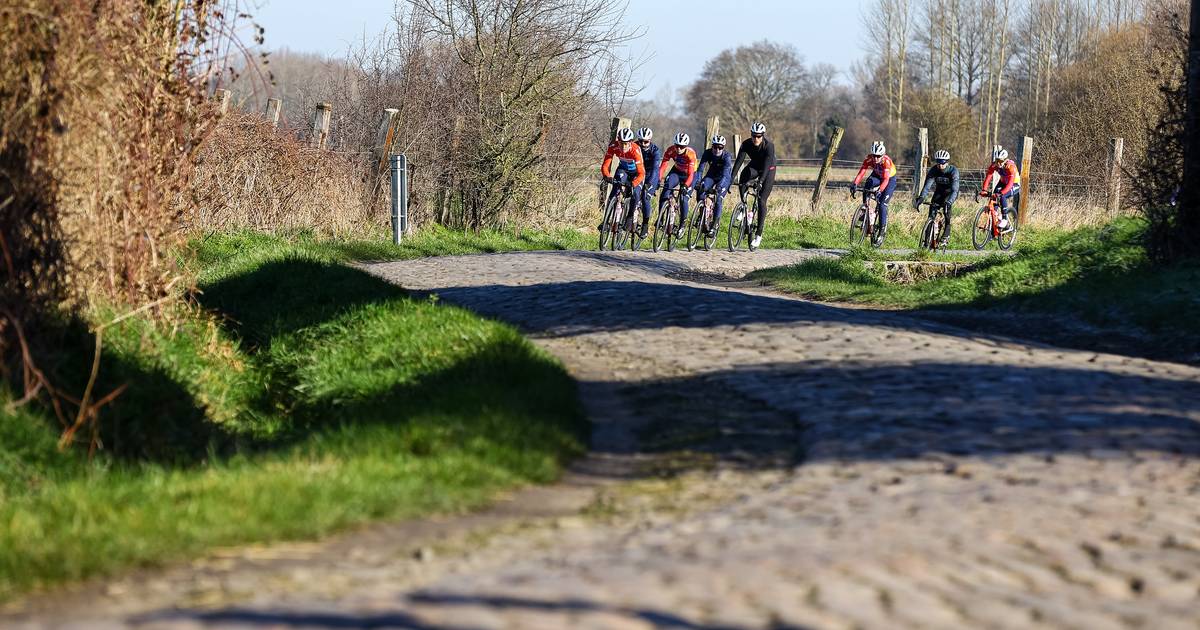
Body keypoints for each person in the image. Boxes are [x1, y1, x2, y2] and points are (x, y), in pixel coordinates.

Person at [732, 122, 776, 249]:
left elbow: (767, 166)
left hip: (769, 169)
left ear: (762, 136)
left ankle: (758, 235)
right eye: (753, 136)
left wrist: (760, 182)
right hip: (755, 166)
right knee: (743, 177)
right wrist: (730, 179)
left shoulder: (769, 146)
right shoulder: (746, 144)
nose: (756, 139)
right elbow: (738, 163)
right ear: (751, 135)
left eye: (758, 136)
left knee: (761, 200)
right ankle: (744, 207)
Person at [599, 127, 645, 232]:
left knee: (636, 193)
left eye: (626, 144)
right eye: (621, 143)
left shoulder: (635, 150)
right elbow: (605, 165)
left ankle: (629, 217)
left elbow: (642, 173)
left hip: (636, 173)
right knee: (615, 190)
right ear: (618, 141)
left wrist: (634, 183)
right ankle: (605, 221)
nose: (623, 146)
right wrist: (607, 176)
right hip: (623, 170)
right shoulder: (613, 146)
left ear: (630, 142)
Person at [850, 141, 897, 239]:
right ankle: (865, 209)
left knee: (882, 205)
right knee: (868, 184)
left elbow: (886, 179)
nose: (875, 158)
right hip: (877, 175)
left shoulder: (886, 161)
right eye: (874, 156)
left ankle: (882, 230)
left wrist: (880, 190)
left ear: (882, 155)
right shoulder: (869, 159)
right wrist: (855, 184)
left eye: (878, 156)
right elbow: (861, 173)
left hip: (889, 179)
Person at [914, 149, 960, 246]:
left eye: (942, 163)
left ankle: (946, 235)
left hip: (949, 194)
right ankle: (926, 242)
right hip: (938, 193)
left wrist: (949, 202)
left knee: (947, 213)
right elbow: (927, 186)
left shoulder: (953, 171)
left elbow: (955, 190)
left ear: (947, 162)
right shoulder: (934, 170)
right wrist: (921, 197)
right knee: (931, 216)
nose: (940, 165)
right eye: (938, 163)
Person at [691, 135, 734, 237]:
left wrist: (719, 187)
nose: (717, 150)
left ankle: (714, 225)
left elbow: (725, 174)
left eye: (720, 147)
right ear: (712, 146)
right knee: (701, 188)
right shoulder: (707, 153)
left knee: (718, 198)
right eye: (715, 147)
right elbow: (701, 169)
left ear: (723, 148)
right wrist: (697, 181)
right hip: (711, 175)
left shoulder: (726, 157)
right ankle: (701, 213)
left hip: (724, 178)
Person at [657, 132, 699, 236]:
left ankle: (682, 225)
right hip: (676, 171)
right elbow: (663, 167)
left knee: (683, 198)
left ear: (686, 146)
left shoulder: (690, 154)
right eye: (677, 146)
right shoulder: (671, 150)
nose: (679, 149)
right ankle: (660, 220)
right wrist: (657, 180)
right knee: (665, 190)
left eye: (682, 146)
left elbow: (690, 175)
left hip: (689, 175)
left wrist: (685, 186)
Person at [981, 145, 1020, 232]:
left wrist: (1001, 193)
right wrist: (984, 189)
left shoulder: (1010, 167)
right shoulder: (994, 165)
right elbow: (988, 178)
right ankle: (994, 224)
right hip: (1003, 182)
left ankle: (1005, 219)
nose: (998, 163)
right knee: (994, 196)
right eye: (996, 160)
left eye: (1000, 161)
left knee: (1002, 195)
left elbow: (1010, 184)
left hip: (1014, 184)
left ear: (1005, 160)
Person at [635, 127, 662, 238]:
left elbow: (656, 169)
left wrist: (650, 183)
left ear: (650, 140)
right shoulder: (635, 146)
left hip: (651, 175)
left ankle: (645, 225)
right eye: (641, 141)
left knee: (645, 196)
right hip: (638, 171)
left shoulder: (655, 150)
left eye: (646, 142)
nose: (643, 144)